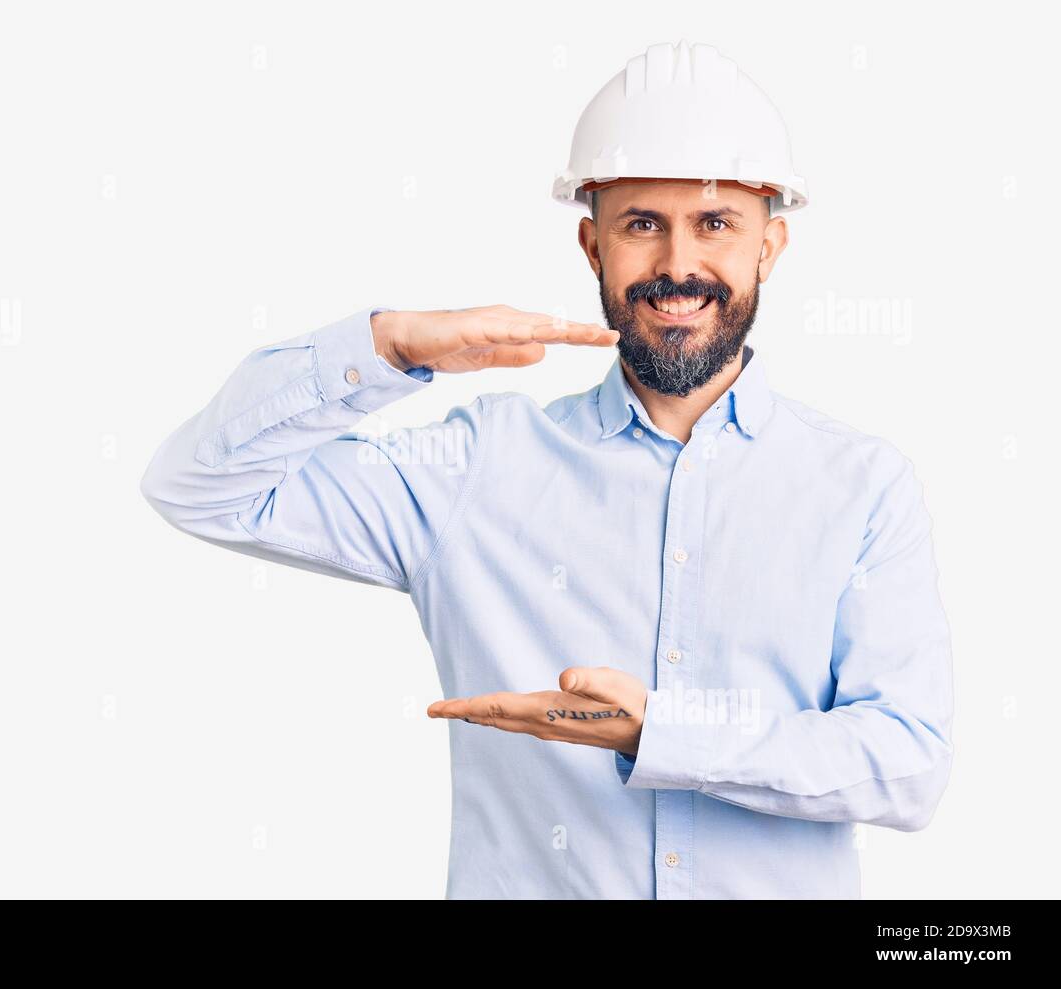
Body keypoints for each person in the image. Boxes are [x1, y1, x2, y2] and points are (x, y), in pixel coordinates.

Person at [139, 40, 953, 899]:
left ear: (770, 246)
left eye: (715, 223)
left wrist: (662, 733)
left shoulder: (862, 487)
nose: (679, 264)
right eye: (642, 223)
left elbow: (909, 764)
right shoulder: (475, 466)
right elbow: (198, 485)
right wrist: (385, 348)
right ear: (591, 245)